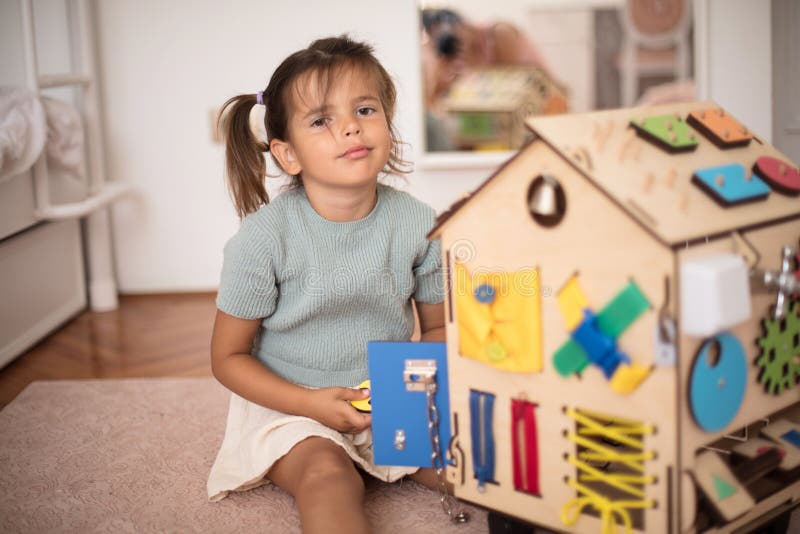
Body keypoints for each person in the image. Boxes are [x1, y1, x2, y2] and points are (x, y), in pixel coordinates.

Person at [206, 36, 448, 534]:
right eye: (321, 120)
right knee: (327, 477)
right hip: (292, 405)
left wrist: (416, 402)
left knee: (472, 463)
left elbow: (439, 330)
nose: (350, 126)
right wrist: (310, 403)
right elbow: (227, 358)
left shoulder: (419, 224)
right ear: (288, 155)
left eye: (365, 109)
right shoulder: (263, 240)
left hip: (388, 395)